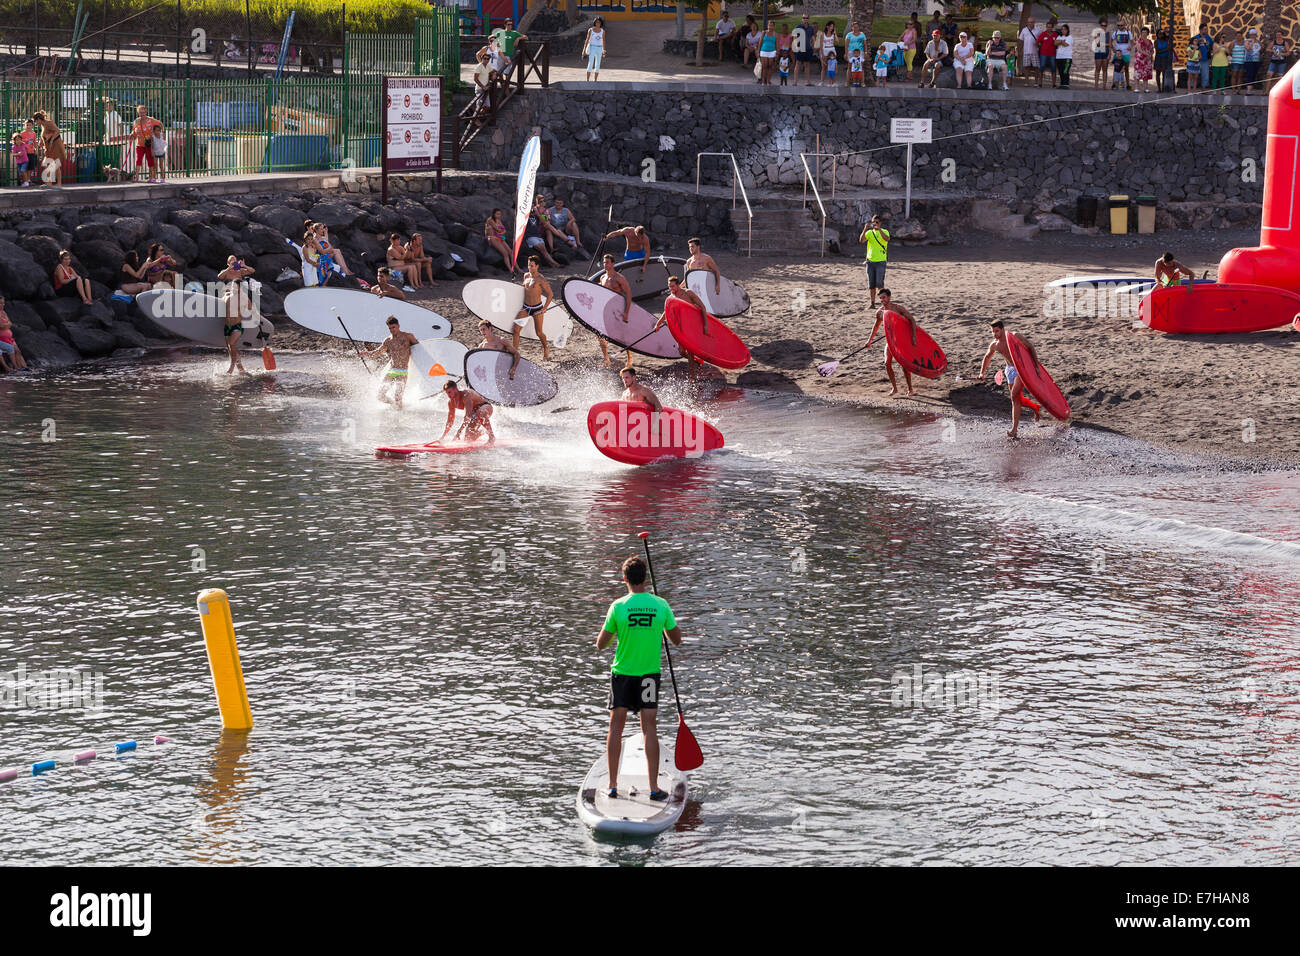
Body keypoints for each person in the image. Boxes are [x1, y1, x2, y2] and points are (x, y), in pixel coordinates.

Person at [597, 552, 682, 802]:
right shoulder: (660, 605)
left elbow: (601, 645)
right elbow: (676, 639)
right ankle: (654, 789)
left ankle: (612, 787)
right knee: (649, 729)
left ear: (625, 579)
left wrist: (620, 631)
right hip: (648, 676)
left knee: (615, 729)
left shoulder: (618, 607)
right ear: (645, 578)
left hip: (623, 675)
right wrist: (660, 629)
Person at [979, 319, 1044, 439]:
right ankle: (1035, 407)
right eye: (993, 332)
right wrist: (981, 373)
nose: (995, 334)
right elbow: (987, 357)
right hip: (1009, 370)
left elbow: (1030, 347)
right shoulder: (995, 344)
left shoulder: (1014, 336)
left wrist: (1035, 366)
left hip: (1022, 368)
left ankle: (1014, 430)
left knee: (1014, 395)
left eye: (997, 331)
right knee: (1016, 399)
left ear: (1003, 329)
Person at [866, 289, 918, 397]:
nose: (882, 300)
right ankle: (894, 388)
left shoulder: (898, 308)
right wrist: (869, 340)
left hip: (901, 341)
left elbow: (912, 320)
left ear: (889, 297)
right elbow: (876, 327)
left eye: (884, 297)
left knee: (904, 365)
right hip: (890, 341)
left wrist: (913, 336)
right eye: (880, 298)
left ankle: (910, 389)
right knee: (887, 363)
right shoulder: (880, 313)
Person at [359, 316, 419, 409]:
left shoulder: (408, 336)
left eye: (393, 327)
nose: (392, 330)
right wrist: (364, 353)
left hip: (403, 371)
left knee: (398, 397)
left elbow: (419, 349)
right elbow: (376, 353)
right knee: (380, 395)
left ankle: (399, 414)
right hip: (392, 371)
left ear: (398, 326)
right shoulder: (388, 341)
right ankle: (393, 405)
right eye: (390, 328)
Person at [217, 255, 257, 375]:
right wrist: (229, 269)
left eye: (235, 261)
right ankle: (241, 369)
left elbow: (252, 271)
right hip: (228, 298)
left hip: (239, 299)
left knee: (232, 344)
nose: (234, 263)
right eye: (231, 261)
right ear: (228, 262)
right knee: (230, 347)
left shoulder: (240, 271)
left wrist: (244, 266)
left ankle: (232, 368)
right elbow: (219, 277)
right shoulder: (227, 272)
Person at [513, 255, 554, 360]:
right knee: (516, 330)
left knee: (539, 332)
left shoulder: (541, 279)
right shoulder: (526, 276)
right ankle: (515, 353)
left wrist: (544, 308)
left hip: (537, 308)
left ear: (537, 266)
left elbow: (550, 294)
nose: (529, 268)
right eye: (528, 265)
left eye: (532, 266)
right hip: (526, 307)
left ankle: (545, 348)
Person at [596, 253, 632, 369]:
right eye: (604, 262)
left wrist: (626, 312)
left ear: (613, 263)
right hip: (605, 310)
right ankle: (606, 359)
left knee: (621, 335)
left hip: (617, 309)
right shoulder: (602, 278)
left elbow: (629, 294)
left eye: (607, 262)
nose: (605, 264)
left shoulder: (619, 278)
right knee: (599, 334)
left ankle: (629, 357)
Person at [440, 380, 495, 445]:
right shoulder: (451, 403)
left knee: (480, 412)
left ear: (456, 389)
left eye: (449, 392)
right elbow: (450, 421)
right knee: (467, 439)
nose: (448, 395)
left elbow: (468, 416)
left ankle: (492, 437)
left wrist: (459, 432)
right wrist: (442, 437)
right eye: (447, 393)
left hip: (485, 407)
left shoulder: (466, 395)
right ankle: (483, 431)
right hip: (475, 415)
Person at [859, 214, 890, 311]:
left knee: (880, 284)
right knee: (871, 284)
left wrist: (879, 229)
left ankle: (884, 303)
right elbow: (861, 240)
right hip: (870, 261)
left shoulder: (884, 231)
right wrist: (865, 229)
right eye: (873, 222)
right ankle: (872, 303)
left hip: (880, 261)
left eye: (877, 222)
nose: (875, 224)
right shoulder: (869, 233)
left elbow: (886, 239)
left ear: (880, 223)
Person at [32, 111, 64, 187]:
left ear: (39, 119)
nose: (35, 123)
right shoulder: (43, 126)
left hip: (55, 147)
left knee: (55, 165)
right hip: (49, 148)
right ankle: (49, 183)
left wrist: (52, 139)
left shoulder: (48, 123)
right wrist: (40, 142)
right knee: (47, 164)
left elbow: (57, 130)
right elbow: (44, 135)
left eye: (35, 121)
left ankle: (58, 184)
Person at [129, 104, 158, 183]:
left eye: (143, 112)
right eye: (140, 112)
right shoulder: (136, 121)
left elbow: (160, 125)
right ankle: (137, 177)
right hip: (140, 144)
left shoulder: (151, 120)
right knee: (138, 160)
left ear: (146, 112)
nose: (142, 114)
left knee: (150, 160)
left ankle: (152, 177)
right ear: (138, 113)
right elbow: (134, 130)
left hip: (149, 144)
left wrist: (159, 135)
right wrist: (132, 133)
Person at [484, 208, 516, 274]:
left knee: (510, 252)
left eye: (500, 214)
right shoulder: (490, 220)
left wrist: (501, 231)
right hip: (491, 237)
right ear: (493, 214)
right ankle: (510, 270)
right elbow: (498, 229)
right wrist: (501, 231)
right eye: (497, 214)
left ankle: (517, 268)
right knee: (505, 253)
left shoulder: (498, 220)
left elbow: (504, 230)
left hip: (498, 237)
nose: (499, 215)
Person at [0, 296, 27, 372]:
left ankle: (24, 367)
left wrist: (6, 325)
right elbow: (1, 326)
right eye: (0, 303)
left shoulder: (3, 312)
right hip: (2, 338)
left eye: (3, 303)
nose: (2, 305)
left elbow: (10, 324)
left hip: (9, 338)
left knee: (18, 351)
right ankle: (18, 368)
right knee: (15, 350)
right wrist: (6, 325)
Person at [792, 14, 816, 86]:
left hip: (808, 49)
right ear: (802, 19)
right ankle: (795, 82)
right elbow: (794, 38)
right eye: (804, 18)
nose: (805, 19)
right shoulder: (798, 27)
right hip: (800, 48)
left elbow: (812, 38)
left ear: (809, 19)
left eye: (806, 18)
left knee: (807, 65)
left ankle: (807, 82)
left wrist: (813, 46)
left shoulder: (811, 28)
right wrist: (796, 47)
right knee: (798, 64)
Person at [1111, 19, 1133, 90]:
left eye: (1121, 25)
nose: (1120, 26)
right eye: (1118, 25)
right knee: (1116, 69)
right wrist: (1113, 49)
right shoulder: (1116, 33)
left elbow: (1132, 42)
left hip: (1126, 54)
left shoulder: (1128, 33)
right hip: (1117, 54)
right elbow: (1110, 41)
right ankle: (1114, 84)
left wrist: (1130, 47)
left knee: (1126, 69)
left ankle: (1128, 85)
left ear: (1124, 25)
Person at [844, 21, 867, 88]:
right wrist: (846, 53)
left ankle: (862, 82)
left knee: (861, 67)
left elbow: (865, 44)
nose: (855, 28)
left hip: (860, 52)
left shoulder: (862, 34)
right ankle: (847, 82)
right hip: (851, 52)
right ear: (852, 27)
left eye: (856, 27)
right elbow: (846, 45)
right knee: (849, 67)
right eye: (854, 27)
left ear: (859, 27)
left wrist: (866, 52)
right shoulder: (849, 35)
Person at [1192, 23, 1214, 92]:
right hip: (1197, 59)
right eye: (1205, 29)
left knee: (1205, 74)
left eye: (1206, 29)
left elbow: (1212, 46)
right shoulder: (1196, 38)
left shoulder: (1208, 38)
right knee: (1195, 74)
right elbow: (1191, 46)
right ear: (1201, 30)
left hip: (1205, 59)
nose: (1206, 31)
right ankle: (1193, 88)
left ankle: (1203, 88)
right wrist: (1198, 42)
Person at [1018, 17, 1039, 87]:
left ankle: (1036, 82)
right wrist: (1020, 50)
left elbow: (1041, 40)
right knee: (1026, 67)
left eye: (1032, 22)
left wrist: (1039, 44)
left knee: (1036, 67)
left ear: (1034, 22)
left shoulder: (1038, 30)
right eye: (1029, 22)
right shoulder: (1024, 30)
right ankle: (1027, 82)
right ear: (1027, 22)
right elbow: (1021, 40)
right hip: (1026, 51)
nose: (1030, 23)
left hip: (1035, 51)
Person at [583, 17, 605, 81]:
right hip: (592, 47)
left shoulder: (603, 31)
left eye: (599, 22)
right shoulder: (590, 30)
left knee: (598, 64)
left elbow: (603, 41)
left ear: (601, 23)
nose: (598, 23)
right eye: (596, 22)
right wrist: (584, 50)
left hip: (600, 48)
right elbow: (587, 40)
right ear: (594, 23)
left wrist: (603, 51)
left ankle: (595, 80)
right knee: (590, 63)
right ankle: (587, 80)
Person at [1133, 26, 1154, 93]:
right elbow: (1139, 50)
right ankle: (1136, 87)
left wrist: (1150, 55)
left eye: (1145, 32)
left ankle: (1146, 88)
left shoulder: (1150, 41)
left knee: (1146, 73)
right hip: (1140, 59)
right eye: (1143, 32)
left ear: (1148, 33)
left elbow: (1152, 50)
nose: (1144, 33)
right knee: (1138, 73)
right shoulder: (1139, 40)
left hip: (1147, 60)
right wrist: (1147, 54)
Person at [818, 21, 838, 87]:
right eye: (831, 26)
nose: (832, 28)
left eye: (833, 27)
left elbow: (837, 42)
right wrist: (822, 54)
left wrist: (835, 34)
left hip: (832, 51)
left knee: (832, 68)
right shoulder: (822, 34)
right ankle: (822, 81)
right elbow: (820, 45)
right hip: (825, 50)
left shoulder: (833, 34)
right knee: (824, 67)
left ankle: (833, 82)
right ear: (827, 26)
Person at [1037, 21, 1058, 88]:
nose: (1049, 28)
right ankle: (1040, 83)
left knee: (1053, 68)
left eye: (1050, 27)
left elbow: (1058, 43)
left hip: (1052, 54)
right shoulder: (1043, 34)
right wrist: (1040, 45)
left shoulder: (1055, 34)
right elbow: (1038, 42)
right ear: (1046, 27)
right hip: (1043, 54)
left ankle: (1054, 84)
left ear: (1052, 28)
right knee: (1042, 67)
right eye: (1048, 27)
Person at [1153, 28, 1172, 93]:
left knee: (1164, 74)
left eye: (1161, 33)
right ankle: (1159, 88)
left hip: (1165, 58)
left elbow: (1172, 36)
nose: (1160, 35)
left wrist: (1165, 31)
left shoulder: (1167, 40)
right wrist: (1167, 49)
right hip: (1158, 58)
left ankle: (1163, 87)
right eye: (1159, 33)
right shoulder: (1156, 41)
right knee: (1158, 74)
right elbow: (1158, 51)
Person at [1091, 17, 1109, 87]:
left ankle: (1104, 85)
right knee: (1097, 69)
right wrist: (1107, 44)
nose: (1103, 27)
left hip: (1106, 52)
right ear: (1100, 25)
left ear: (1107, 26)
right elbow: (1098, 43)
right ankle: (1096, 84)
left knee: (1105, 70)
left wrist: (1110, 54)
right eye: (1102, 25)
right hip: (1098, 52)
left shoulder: (1108, 33)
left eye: (1105, 25)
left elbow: (1110, 45)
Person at [1244, 27, 1262, 92]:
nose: (1252, 35)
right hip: (1249, 60)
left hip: (1256, 60)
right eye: (1251, 34)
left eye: (1254, 34)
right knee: (1249, 74)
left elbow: (1261, 49)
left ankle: (1251, 88)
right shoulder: (1247, 41)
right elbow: (1248, 48)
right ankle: (1248, 90)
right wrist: (1252, 42)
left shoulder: (1258, 42)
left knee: (1254, 74)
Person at [1056, 24, 1073, 88]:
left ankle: (1066, 84)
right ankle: (1062, 84)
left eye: (1064, 29)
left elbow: (1066, 44)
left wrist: (1060, 42)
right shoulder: (1059, 37)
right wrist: (1061, 41)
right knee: (1060, 71)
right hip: (1059, 57)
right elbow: (1055, 43)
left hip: (1067, 57)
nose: (1063, 30)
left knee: (1065, 71)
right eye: (1062, 29)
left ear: (1067, 30)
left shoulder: (1070, 37)